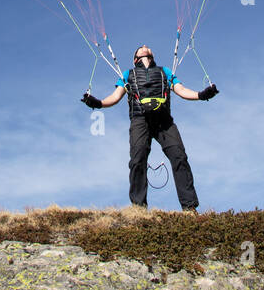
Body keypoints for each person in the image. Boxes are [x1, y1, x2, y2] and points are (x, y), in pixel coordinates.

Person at [82, 45, 218, 211]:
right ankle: (139, 209)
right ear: (135, 58)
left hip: (164, 121)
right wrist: (98, 103)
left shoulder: (165, 72)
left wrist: (201, 95)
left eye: (147, 47)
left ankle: (189, 208)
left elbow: (181, 90)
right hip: (140, 120)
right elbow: (115, 96)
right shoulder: (128, 75)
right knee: (138, 159)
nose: (145, 46)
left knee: (179, 157)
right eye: (141, 47)